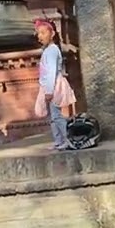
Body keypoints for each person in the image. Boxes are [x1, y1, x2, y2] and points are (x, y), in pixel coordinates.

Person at [34, 18, 76, 150]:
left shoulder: (52, 50)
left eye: (43, 33)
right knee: (53, 116)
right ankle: (59, 141)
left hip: (53, 86)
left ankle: (69, 139)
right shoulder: (47, 50)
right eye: (38, 33)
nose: (40, 36)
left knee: (56, 116)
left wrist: (49, 91)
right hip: (48, 86)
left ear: (52, 34)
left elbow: (51, 72)